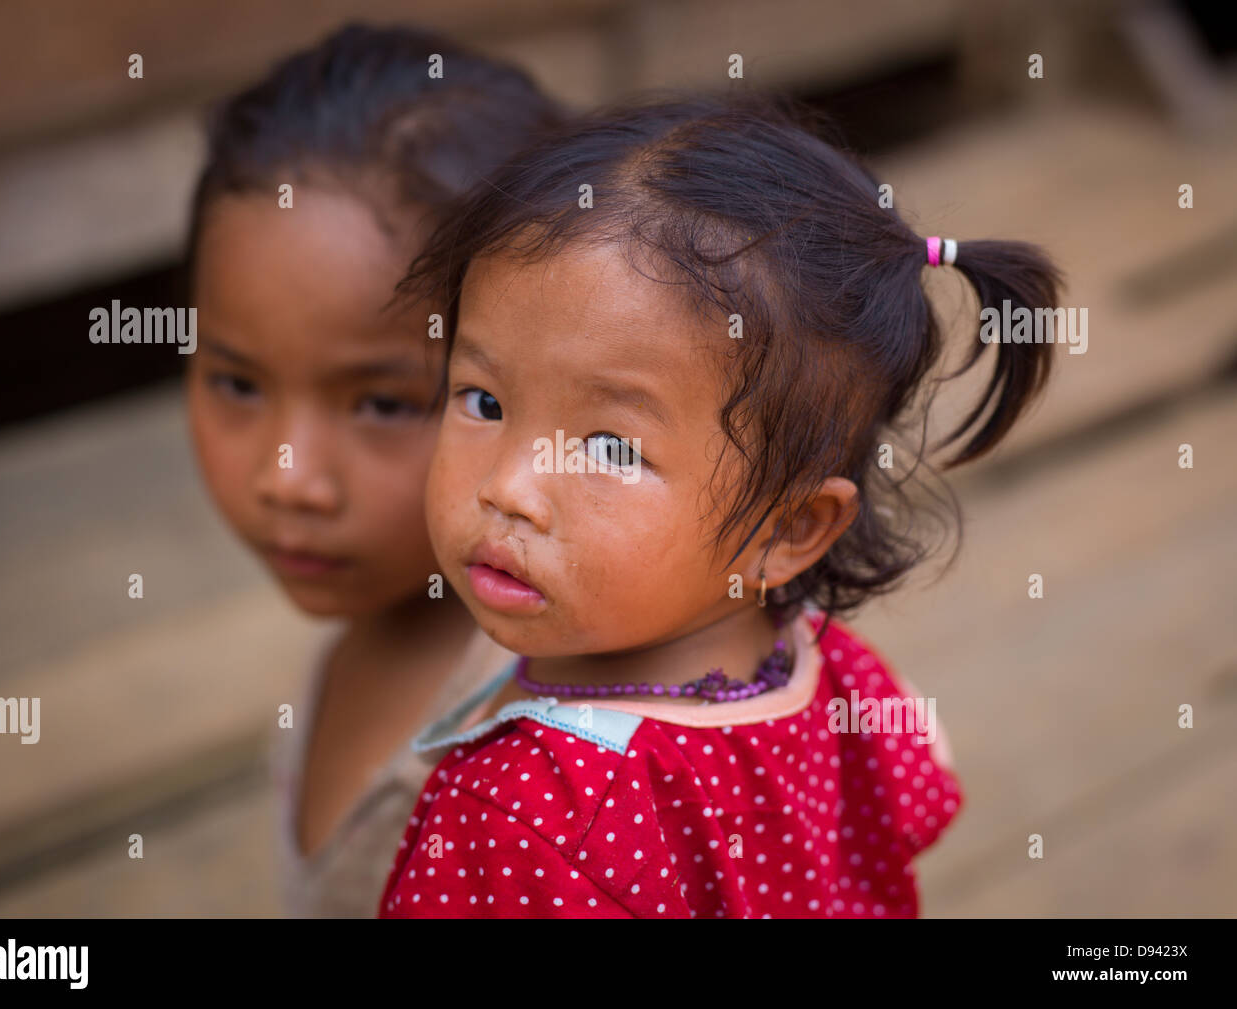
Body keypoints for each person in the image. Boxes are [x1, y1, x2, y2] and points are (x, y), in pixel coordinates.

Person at [377, 92, 1061, 918]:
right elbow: (924, 787)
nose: (509, 488)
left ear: (790, 528)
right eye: (483, 401)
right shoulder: (822, 666)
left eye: (612, 449)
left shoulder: (516, 814)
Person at [182, 23, 561, 916]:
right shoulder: (374, 621)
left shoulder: (545, 767)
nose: (291, 478)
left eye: (385, 403)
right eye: (236, 381)